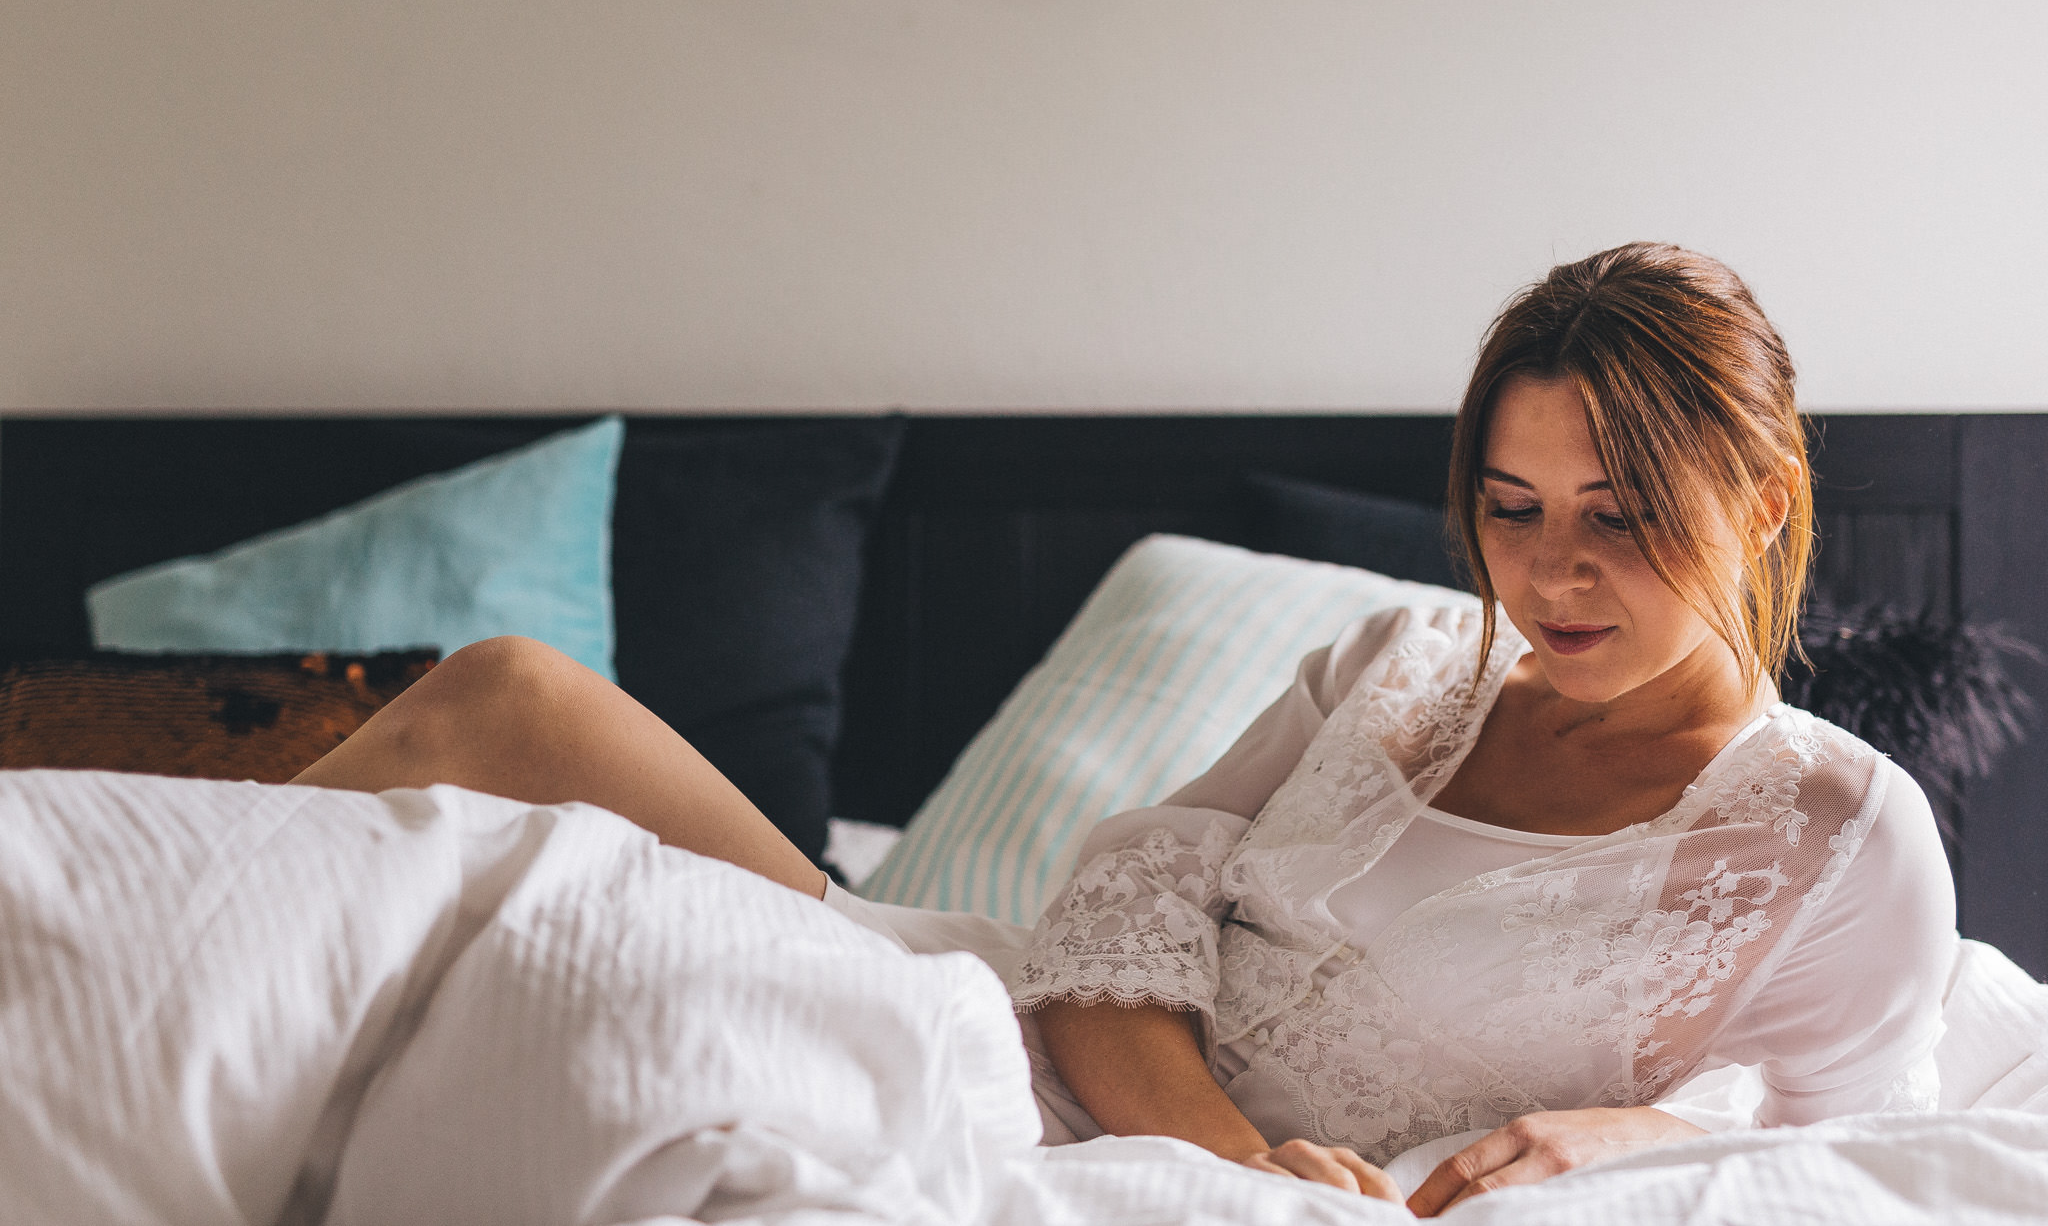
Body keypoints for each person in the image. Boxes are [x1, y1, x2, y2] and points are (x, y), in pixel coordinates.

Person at [293, 242, 1954, 1216]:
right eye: (1512, 507)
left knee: (515, 992)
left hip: (1026, 1143)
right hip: (980, 1026)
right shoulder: (1398, 663)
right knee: (508, 697)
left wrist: (1651, 1125)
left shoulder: (1836, 833)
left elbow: (1870, 1147)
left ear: (1764, 500)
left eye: (1621, 512)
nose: (1552, 570)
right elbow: (1098, 941)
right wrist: (1240, 1170)